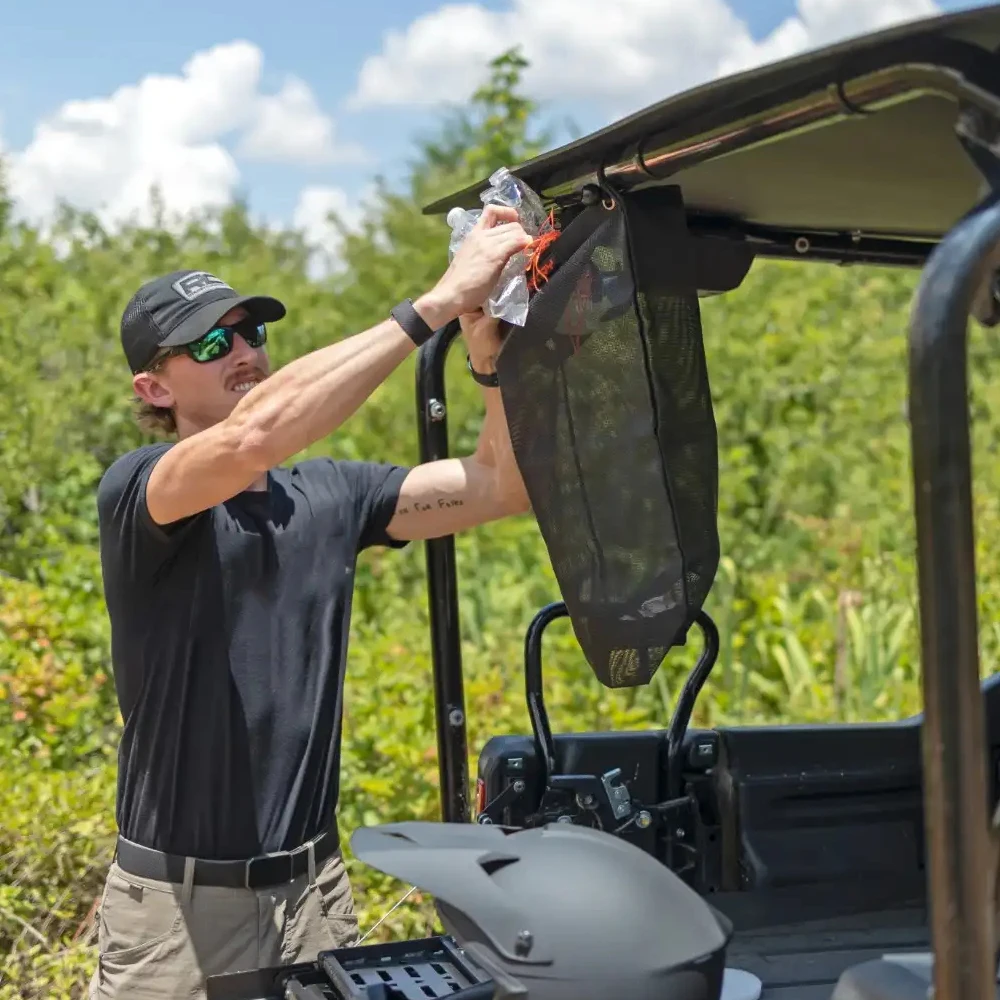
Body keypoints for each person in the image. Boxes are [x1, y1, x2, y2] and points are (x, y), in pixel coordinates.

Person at [89, 205, 534, 999]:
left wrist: (486, 356)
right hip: (176, 917)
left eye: (251, 335)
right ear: (153, 386)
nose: (244, 354)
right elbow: (250, 440)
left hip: (315, 897)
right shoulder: (144, 491)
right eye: (212, 344)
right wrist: (432, 304)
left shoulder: (329, 494)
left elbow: (504, 485)